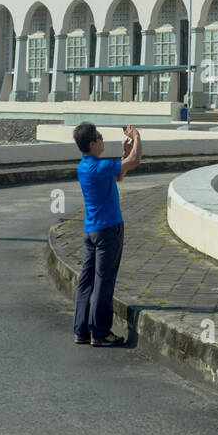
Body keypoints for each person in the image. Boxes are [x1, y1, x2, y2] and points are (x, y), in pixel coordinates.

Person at [72, 122, 142, 348]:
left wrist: (124, 152)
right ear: (93, 144)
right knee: (104, 280)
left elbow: (119, 174)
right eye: (100, 137)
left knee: (86, 281)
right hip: (108, 230)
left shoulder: (85, 167)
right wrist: (137, 137)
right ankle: (100, 332)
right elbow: (135, 162)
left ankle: (81, 329)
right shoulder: (97, 167)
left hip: (91, 231)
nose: (102, 140)